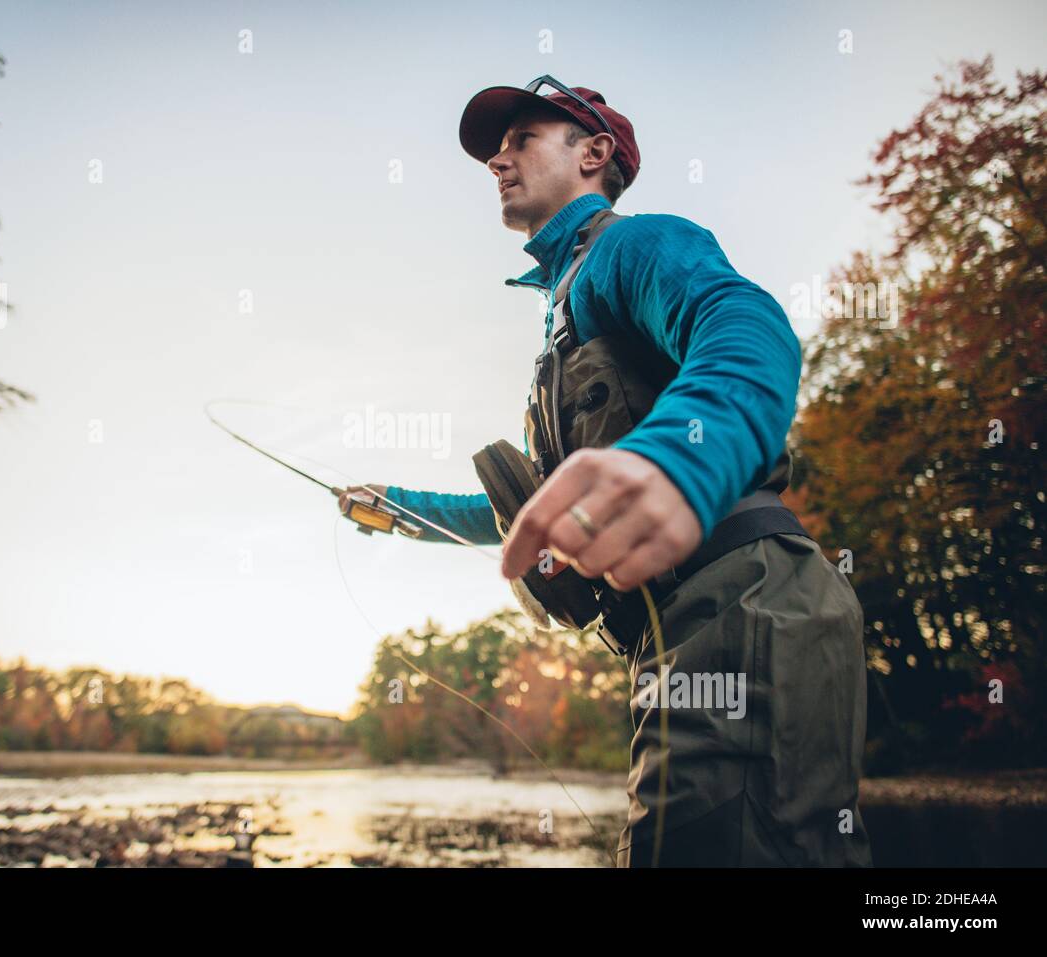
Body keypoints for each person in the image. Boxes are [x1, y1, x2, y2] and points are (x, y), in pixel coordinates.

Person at [339, 76, 872, 867]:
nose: (497, 158)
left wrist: (676, 464)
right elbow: (534, 516)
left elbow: (746, 323)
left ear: (594, 154)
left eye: (521, 138)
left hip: (746, 603)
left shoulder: (637, 244)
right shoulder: (560, 309)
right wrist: (391, 507)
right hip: (676, 636)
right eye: (497, 146)